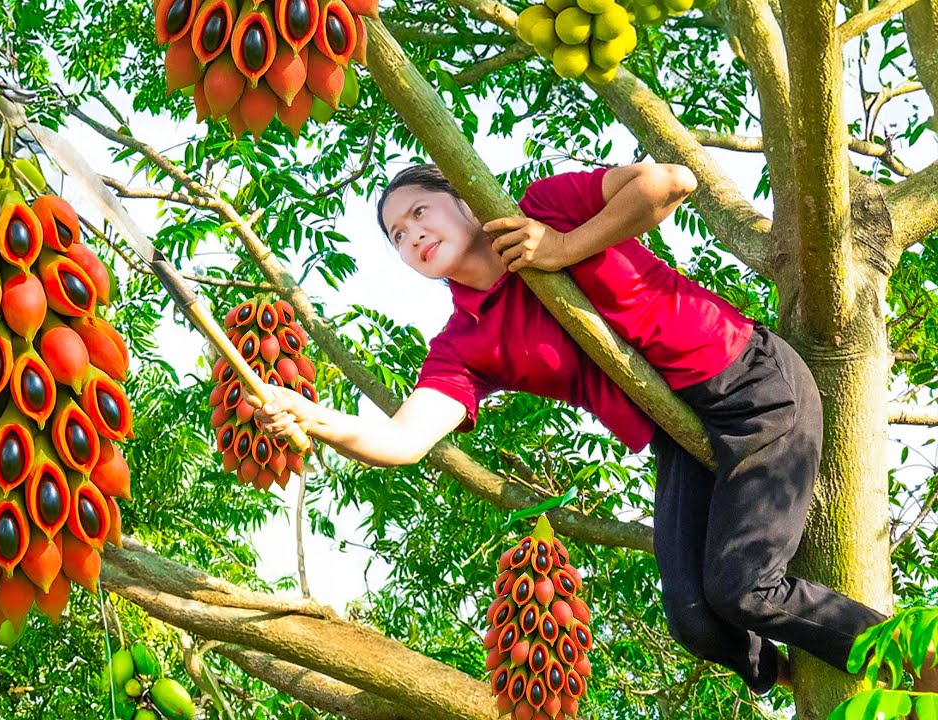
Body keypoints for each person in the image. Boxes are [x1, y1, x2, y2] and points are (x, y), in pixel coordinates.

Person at [246, 162, 902, 694]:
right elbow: (403, 440)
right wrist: (315, 417)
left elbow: (672, 182)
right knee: (698, 622)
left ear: (463, 201)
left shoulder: (546, 206)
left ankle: (913, 666)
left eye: (419, 210)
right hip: (680, 435)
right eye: (396, 234)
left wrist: (562, 247)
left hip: (750, 387)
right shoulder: (463, 343)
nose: (410, 233)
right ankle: (799, 680)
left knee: (744, 587)